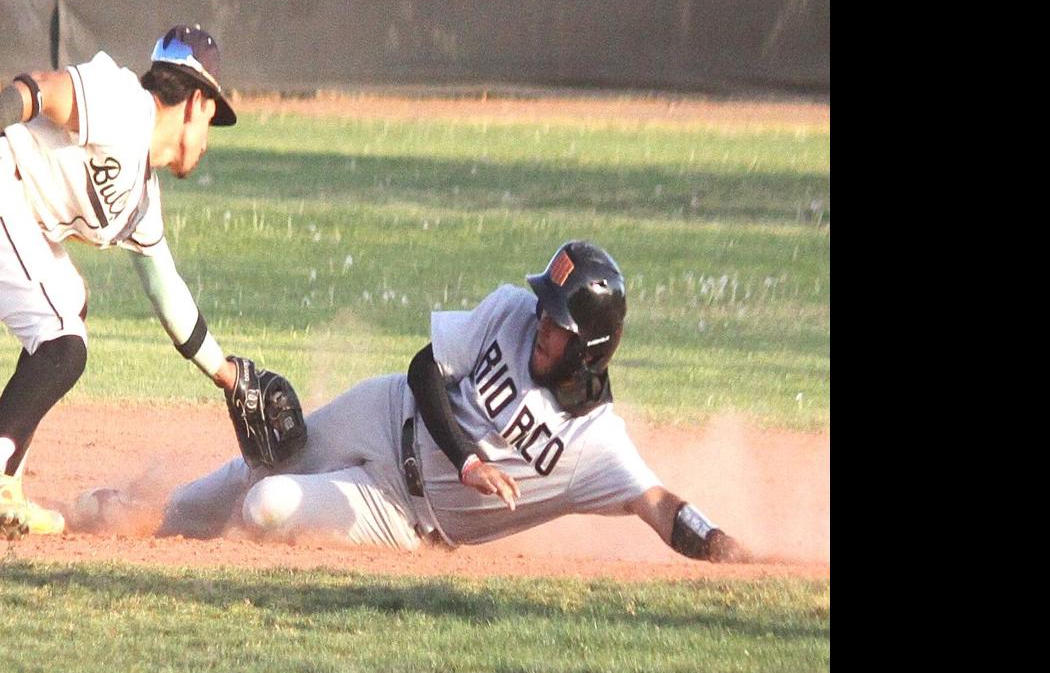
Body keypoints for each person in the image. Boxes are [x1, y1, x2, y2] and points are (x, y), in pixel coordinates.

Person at [137, 241, 748, 563]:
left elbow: (661, 505)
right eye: (546, 313)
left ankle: (223, 548)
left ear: (589, 350)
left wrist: (726, 548)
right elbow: (425, 367)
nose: (542, 326)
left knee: (267, 503)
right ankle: (141, 520)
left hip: (402, 517)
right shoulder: (511, 311)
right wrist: (469, 461)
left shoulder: (597, 445)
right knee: (250, 470)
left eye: (558, 326)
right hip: (383, 413)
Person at [0, 25, 303, 539]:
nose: (209, 140)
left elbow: (167, 291)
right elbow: (41, 89)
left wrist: (229, 375)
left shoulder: (143, 197)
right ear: (197, 104)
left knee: (69, 306)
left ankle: (6, 485)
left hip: (18, 208)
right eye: (213, 120)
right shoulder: (125, 104)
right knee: (63, 343)